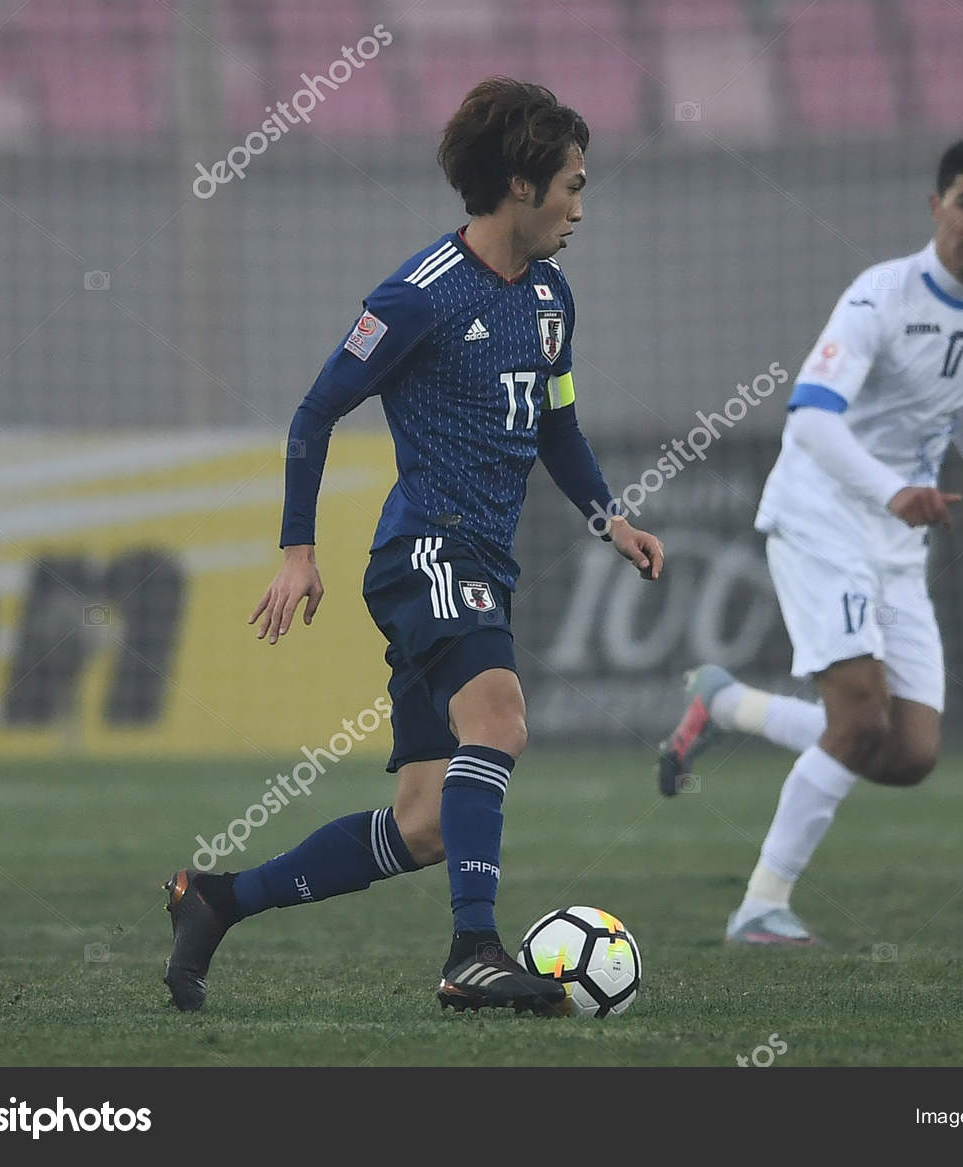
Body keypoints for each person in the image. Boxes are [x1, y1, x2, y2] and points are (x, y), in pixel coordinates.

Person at [163, 78, 664, 1014]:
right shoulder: (419, 295)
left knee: (427, 823)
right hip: (428, 551)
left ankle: (217, 900)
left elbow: (559, 425)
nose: (580, 208)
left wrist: (612, 518)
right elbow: (316, 412)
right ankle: (473, 951)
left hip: (483, 563)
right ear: (520, 184)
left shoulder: (551, 295)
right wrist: (297, 548)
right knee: (502, 720)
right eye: (573, 185)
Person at [657, 139, 963, 946]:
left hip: (898, 537)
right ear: (936, 206)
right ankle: (760, 906)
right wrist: (892, 489)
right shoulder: (879, 297)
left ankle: (724, 703)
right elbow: (810, 416)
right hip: (823, 511)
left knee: (907, 753)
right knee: (859, 716)